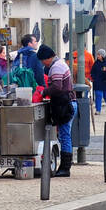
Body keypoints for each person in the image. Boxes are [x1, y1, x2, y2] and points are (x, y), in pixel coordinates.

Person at [39, 45, 76, 176]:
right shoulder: (58, 64)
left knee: (65, 136)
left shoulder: (56, 67)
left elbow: (57, 87)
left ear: (48, 58)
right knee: (64, 135)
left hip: (65, 104)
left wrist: (44, 92)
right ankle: (65, 166)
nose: (43, 63)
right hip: (65, 103)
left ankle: (65, 167)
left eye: (43, 61)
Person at [90, 49, 106, 114]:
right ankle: (98, 110)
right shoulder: (96, 63)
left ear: (102, 55)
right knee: (98, 96)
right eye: (98, 54)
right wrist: (94, 78)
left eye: (99, 54)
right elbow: (92, 72)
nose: (97, 56)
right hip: (98, 83)